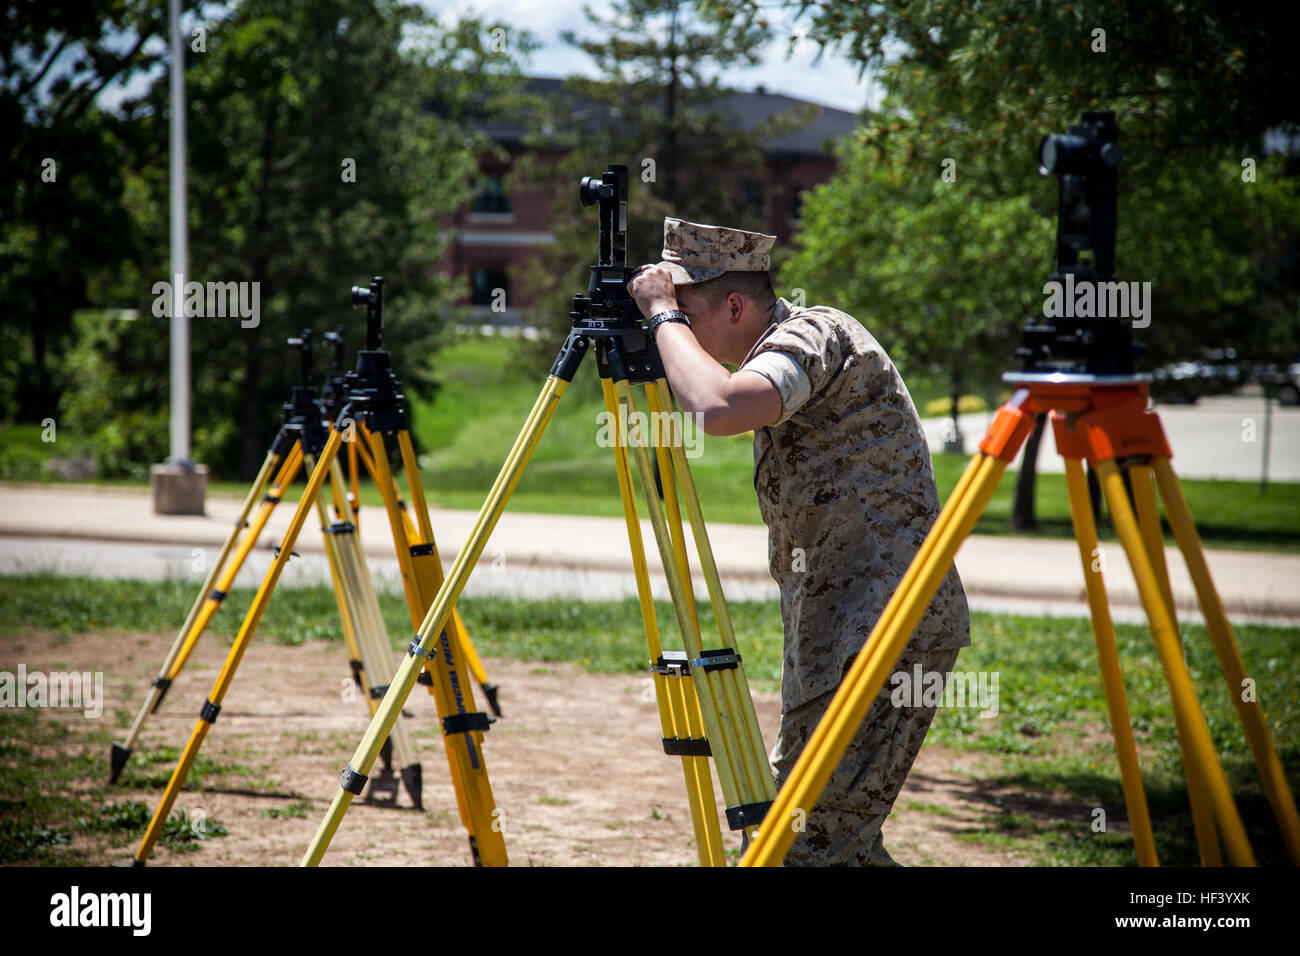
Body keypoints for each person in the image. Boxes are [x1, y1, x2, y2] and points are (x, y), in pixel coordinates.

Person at [627, 217, 971, 866]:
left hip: (883, 626)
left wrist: (658, 315)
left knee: (808, 840)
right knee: (828, 842)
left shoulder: (815, 334)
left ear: (733, 305)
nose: (676, 331)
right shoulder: (782, 343)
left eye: (686, 313)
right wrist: (664, 319)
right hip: (841, 627)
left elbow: (719, 408)